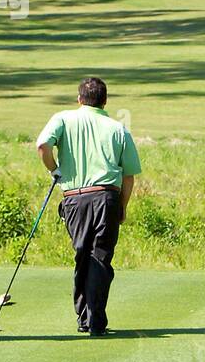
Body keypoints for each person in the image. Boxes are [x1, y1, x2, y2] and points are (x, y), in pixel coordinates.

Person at [36, 76, 141, 336]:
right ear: (105, 101)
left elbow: (42, 145)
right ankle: (95, 318)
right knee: (101, 257)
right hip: (106, 196)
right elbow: (129, 175)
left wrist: (55, 170)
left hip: (74, 197)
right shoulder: (118, 128)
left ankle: (85, 316)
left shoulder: (62, 118)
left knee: (84, 255)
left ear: (79, 98)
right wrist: (123, 207)